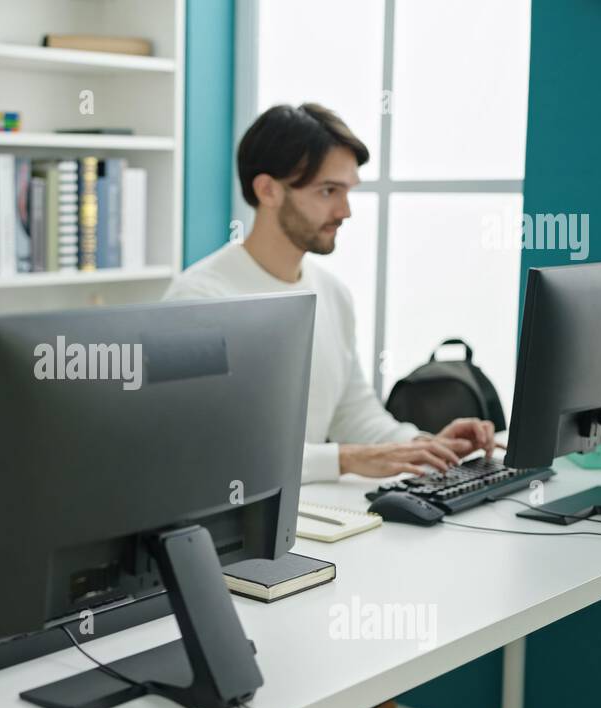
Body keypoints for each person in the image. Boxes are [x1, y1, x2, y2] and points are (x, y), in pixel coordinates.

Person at [165, 103, 497, 483]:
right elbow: (213, 450)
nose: (345, 211)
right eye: (328, 191)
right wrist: (343, 459)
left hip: (307, 511)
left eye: (347, 192)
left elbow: (355, 417)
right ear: (268, 190)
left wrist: (425, 445)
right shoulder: (197, 301)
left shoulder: (333, 294)